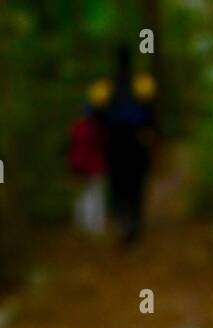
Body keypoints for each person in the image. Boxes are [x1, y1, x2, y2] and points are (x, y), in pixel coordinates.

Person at [90, 46, 156, 244]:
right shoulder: (141, 82)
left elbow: (94, 114)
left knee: (118, 183)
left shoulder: (105, 86)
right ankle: (133, 222)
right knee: (135, 183)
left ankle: (123, 221)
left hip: (114, 142)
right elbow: (150, 113)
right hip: (135, 140)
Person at [68, 108, 107, 235]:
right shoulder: (95, 129)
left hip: (78, 165)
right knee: (94, 194)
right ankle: (93, 224)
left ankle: (82, 222)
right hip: (93, 166)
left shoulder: (77, 127)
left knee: (83, 193)